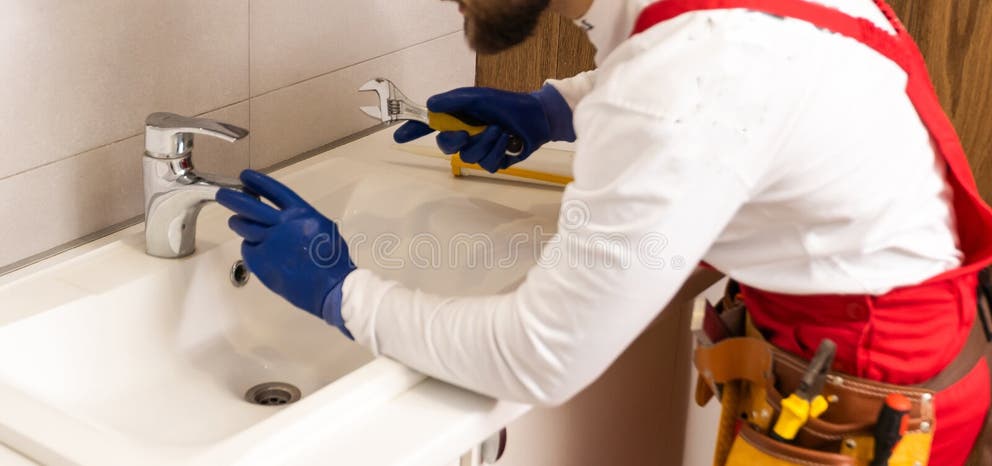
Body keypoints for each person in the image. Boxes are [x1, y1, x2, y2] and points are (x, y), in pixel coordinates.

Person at [216, 0, 992, 464]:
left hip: (860, 409)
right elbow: (718, 88)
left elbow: (536, 356)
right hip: (875, 360)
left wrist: (338, 292)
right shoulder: (698, 41)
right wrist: (557, 109)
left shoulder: (688, 74)